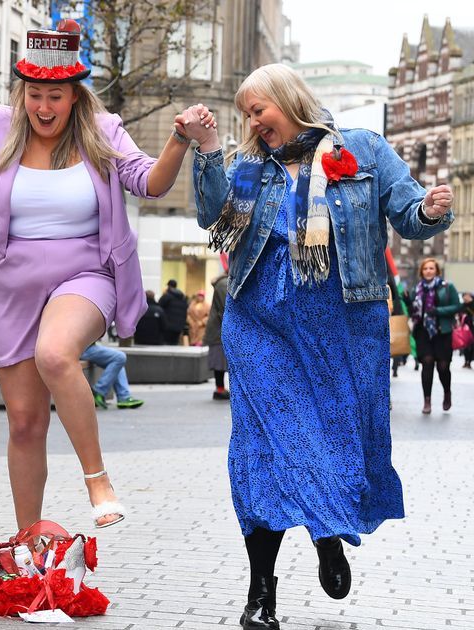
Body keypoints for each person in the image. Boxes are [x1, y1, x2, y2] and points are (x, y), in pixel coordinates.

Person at [183, 63, 453, 629]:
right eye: (246, 116)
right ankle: (261, 592)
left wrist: (429, 210)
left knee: (327, 446)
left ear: (288, 98)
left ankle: (328, 533)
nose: (254, 123)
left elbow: (407, 213)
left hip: (339, 328)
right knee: (259, 454)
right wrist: (207, 147)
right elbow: (212, 216)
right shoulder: (249, 165)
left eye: (260, 110)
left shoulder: (362, 151)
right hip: (259, 326)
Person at [0, 19, 194, 530]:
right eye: (33, 94)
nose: (43, 107)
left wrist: (177, 140)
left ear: (75, 96)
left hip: (84, 273)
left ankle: (97, 479)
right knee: (24, 424)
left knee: (56, 354)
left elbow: (148, 181)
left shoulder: (103, 132)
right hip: (10, 285)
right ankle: (27, 541)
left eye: (54, 96)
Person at [404, 258, 461, 413]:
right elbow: (413, 312)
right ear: (421, 271)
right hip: (423, 331)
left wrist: (438, 311)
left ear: (437, 270)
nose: (428, 271)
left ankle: (447, 392)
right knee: (427, 363)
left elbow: (457, 306)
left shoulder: (447, 287)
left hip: (442, 331)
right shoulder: (417, 288)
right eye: (425, 269)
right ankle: (427, 401)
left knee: (443, 366)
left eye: (431, 268)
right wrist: (408, 302)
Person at [79, 342, 143, 409]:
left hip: (86, 347)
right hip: (80, 349)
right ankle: (98, 391)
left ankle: (123, 396)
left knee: (118, 360)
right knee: (119, 357)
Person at [204, 273, 230, 400]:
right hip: (219, 331)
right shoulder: (224, 284)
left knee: (220, 361)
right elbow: (226, 308)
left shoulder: (224, 282)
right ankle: (220, 389)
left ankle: (220, 388)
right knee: (219, 361)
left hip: (219, 329)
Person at [158, 279, 189, 345]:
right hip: (179, 326)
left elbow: (159, 308)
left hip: (168, 326)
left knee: (166, 345)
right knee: (174, 344)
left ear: (168, 286)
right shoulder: (182, 298)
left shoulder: (166, 296)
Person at [461, 292, 474, 369]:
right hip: (465, 328)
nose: (465, 298)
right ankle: (466, 361)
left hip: (472, 327)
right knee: (466, 345)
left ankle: (469, 361)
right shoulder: (463, 305)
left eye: (467, 296)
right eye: (464, 296)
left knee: (472, 345)